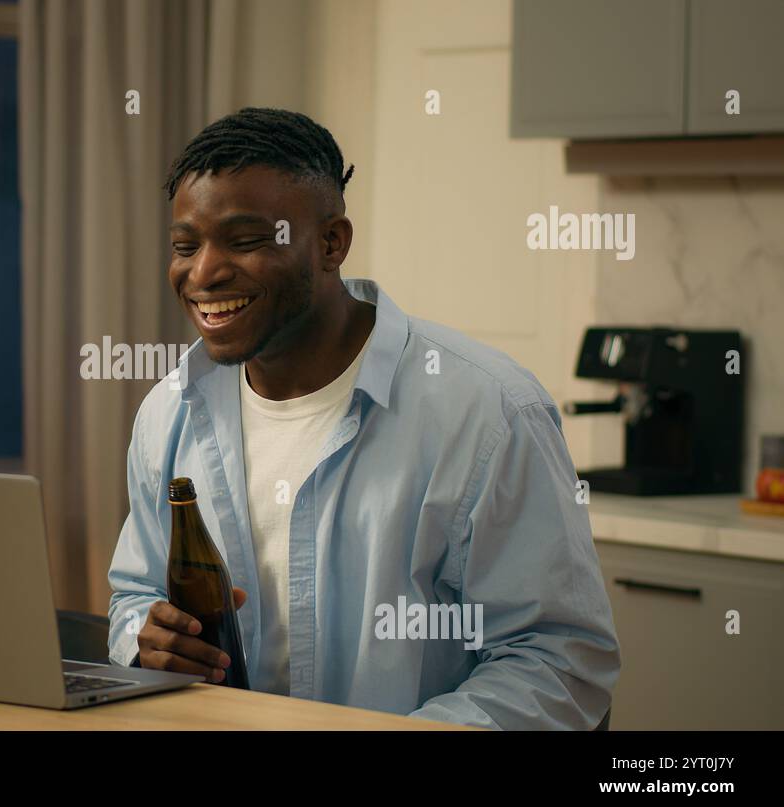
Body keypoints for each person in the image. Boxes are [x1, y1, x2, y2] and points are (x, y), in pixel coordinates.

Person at [106, 107, 620, 730]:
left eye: (245, 241)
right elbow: (134, 594)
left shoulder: (488, 412)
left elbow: (558, 661)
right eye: (185, 246)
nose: (204, 272)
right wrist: (145, 639)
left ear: (331, 243)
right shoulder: (168, 413)